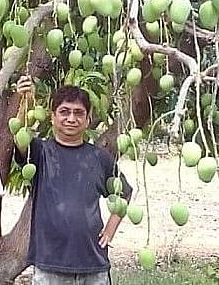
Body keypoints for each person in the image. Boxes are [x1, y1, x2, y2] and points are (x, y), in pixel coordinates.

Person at [13, 74, 133, 285]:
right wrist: (25, 101)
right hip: (50, 263)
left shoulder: (99, 157)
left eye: (79, 113)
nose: (71, 118)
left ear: (87, 119)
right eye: (64, 112)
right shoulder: (40, 152)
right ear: (52, 117)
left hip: (93, 263)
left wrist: (110, 230)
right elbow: (21, 139)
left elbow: (124, 192)